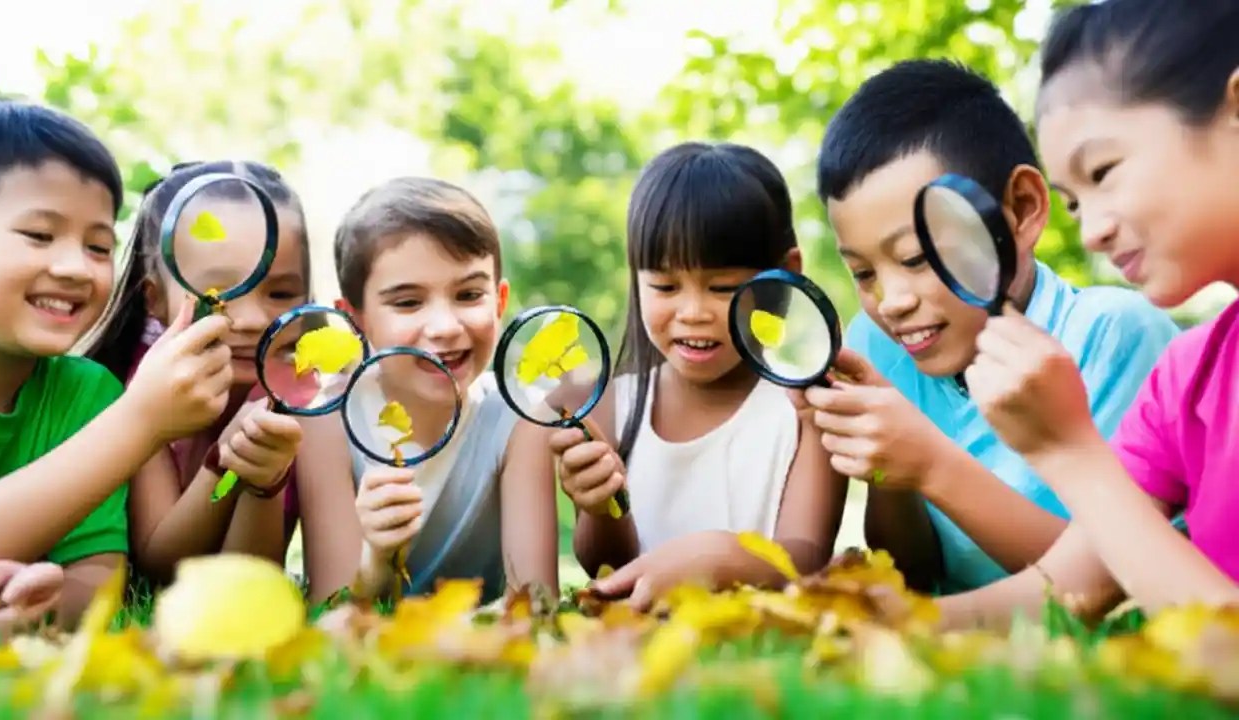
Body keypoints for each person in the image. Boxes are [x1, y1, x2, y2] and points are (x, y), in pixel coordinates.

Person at [797, 58, 1180, 595]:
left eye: (915, 257)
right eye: (863, 272)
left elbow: (1114, 579)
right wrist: (886, 471)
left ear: (1021, 209)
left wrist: (929, 463)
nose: (892, 301)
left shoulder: (1115, 335)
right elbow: (912, 572)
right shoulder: (875, 344)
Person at [942, 0, 1239, 627]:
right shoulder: (1186, 376)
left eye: (1104, 170)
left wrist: (1070, 452)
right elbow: (1069, 588)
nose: (1093, 233)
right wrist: (872, 620)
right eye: (1075, 203)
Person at [0, 99, 233, 625]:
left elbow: (96, 573)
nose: (75, 268)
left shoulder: (89, 393)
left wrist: (40, 609)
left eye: (98, 246)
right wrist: (142, 420)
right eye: (39, 235)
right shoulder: (125, 415)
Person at [553, 142, 848, 609]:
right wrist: (598, 506)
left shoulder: (805, 409)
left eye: (723, 288)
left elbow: (804, 560)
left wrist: (718, 556)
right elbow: (605, 568)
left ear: (785, 274)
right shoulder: (613, 404)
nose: (692, 313)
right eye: (665, 287)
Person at [85, 160, 360, 603]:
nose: (252, 320)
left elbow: (251, 583)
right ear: (154, 299)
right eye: (220, 296)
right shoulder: (143, 385)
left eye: (281, 294)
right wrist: (224, 464)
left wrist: (263, 483)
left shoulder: (305, 397)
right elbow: (163, 563)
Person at [333, 177, 558, 605]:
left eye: (469, 295)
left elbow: (534, 601)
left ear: (499, 300)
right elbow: (333, 612)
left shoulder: (521, 417)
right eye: (408, 303)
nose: (445, 327)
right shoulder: (328, 422)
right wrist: (377, 560)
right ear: (355, 319)